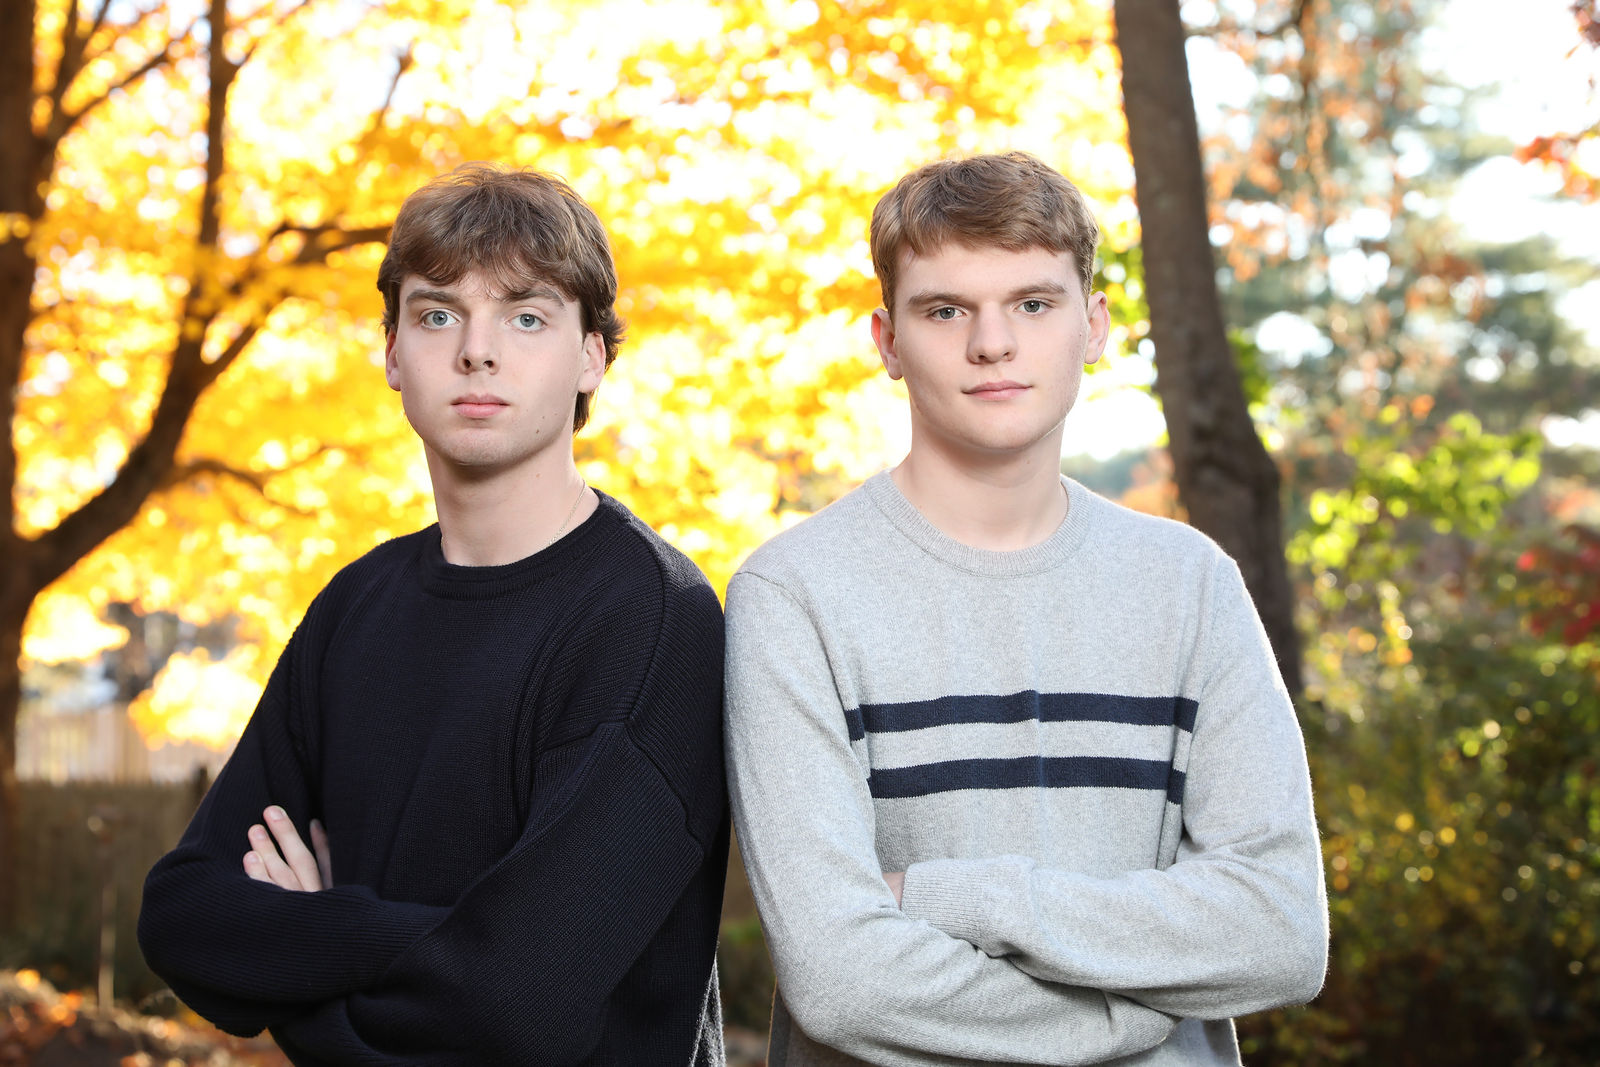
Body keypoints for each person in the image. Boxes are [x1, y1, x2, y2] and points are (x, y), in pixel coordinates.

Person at [722, 151, 1328, 1066]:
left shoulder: (1191, 583)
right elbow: (841, 979)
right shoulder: (792, 594)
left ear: (1095, 325)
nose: (992, 343)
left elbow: (1280, 929)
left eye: (1034, 303)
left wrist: (957, 897)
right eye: (945, 310)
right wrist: (1127, 1020)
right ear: (887, 341)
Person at [139, 163, 729, 1065]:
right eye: (438, 314)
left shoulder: (653, 622)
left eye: (526, 316)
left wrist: (301, 958)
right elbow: (182, 913)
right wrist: (429, 945)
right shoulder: (355, 606)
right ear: (391, 353)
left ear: (591, 357)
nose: (476, 351)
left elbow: (511, 1007)